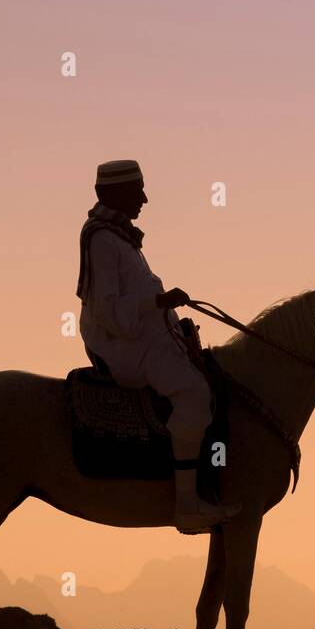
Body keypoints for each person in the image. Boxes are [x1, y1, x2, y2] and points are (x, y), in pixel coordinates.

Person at [75, 159, 241, 533]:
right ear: (115, 194)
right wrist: (160, 303)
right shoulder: (102, 239)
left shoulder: (118, 236)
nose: (145, 199)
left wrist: (161, 304)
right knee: (194, 393)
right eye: (138, 191)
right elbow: (109, 312)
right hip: (122, 344)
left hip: (139, 335)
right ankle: (187, 505)